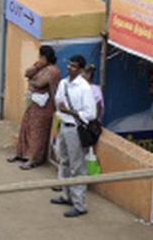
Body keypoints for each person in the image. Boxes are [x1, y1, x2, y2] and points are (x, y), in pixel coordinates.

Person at [53, 55, 96, 218]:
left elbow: (90, 113)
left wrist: (68, 112)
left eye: (73, 66)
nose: (69, 68)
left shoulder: (84, 88)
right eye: (69, 65)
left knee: (77, 166)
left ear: (80, 69)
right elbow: (58, 102)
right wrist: (62, 112)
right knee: (64, 161)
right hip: (63, 126)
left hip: (75, 129)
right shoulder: (63, 83)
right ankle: (66, 195)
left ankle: (80, 205)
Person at [10, 45, 61, 170]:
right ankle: (21, 153)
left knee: (38, 133)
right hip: (33, 103)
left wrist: (31, 82)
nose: (40, 58)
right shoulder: (40, 67)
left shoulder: (53, 71)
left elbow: (39, 83)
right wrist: (38, 66)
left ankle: (34, 159)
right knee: (26, 127)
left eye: (42, 56)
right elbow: (27, 73)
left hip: (45, 107)